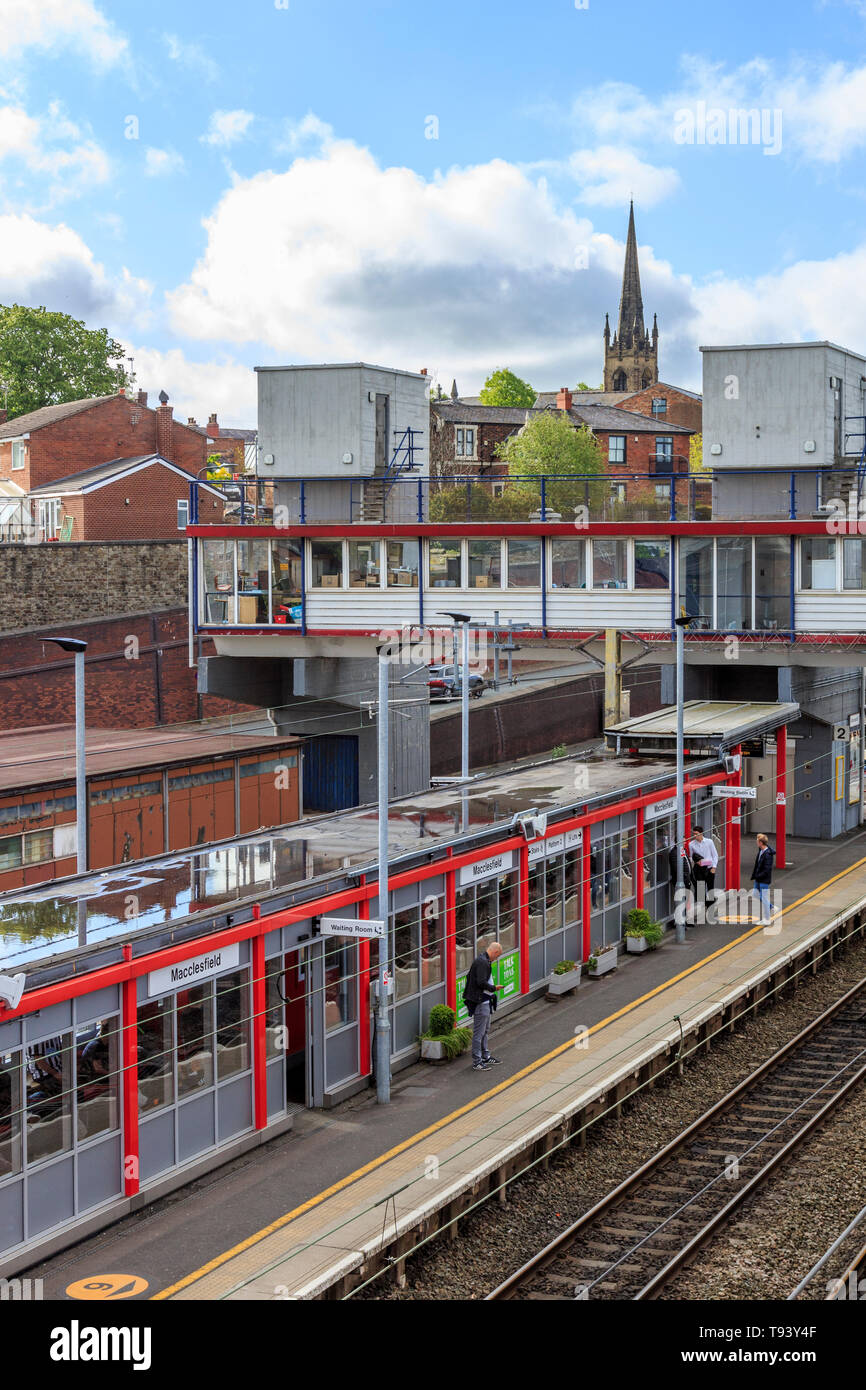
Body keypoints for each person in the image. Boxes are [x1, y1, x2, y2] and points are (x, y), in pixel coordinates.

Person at [463, 941, 504, 1071]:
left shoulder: (483, 961)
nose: (496, 959)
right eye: (497, 956)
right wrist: (493, 988)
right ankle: (477, 1061)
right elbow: (481, 982)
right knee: (479, 1032)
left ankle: (485, 1056)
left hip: (485, 1001)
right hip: (481, 1002)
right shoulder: (482, 962)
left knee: (484, 1031)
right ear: (495, 952)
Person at [750, 833, 776, 922]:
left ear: (761, 842)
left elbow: (767, 869)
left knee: (764, 898)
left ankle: (767, 919)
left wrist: (758, 875)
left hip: (764, 879)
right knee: (755, 894)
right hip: (758, 878)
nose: (756, 843)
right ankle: (772, 907)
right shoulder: (761, 850)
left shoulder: (767, 854)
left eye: (757, 841)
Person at [689, 824, 719, 898]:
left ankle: (711, 907)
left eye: (696, 834)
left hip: (709, 869)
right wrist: (696, 862)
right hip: (699, 870)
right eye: (694, 834)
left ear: (701, 833)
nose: (695, 836)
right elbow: (691, 857)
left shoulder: (709, 842)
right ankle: (702, 906)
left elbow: (715, 855)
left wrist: (714, 868)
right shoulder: (691, 844)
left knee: (710, 889)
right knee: (701, 890)